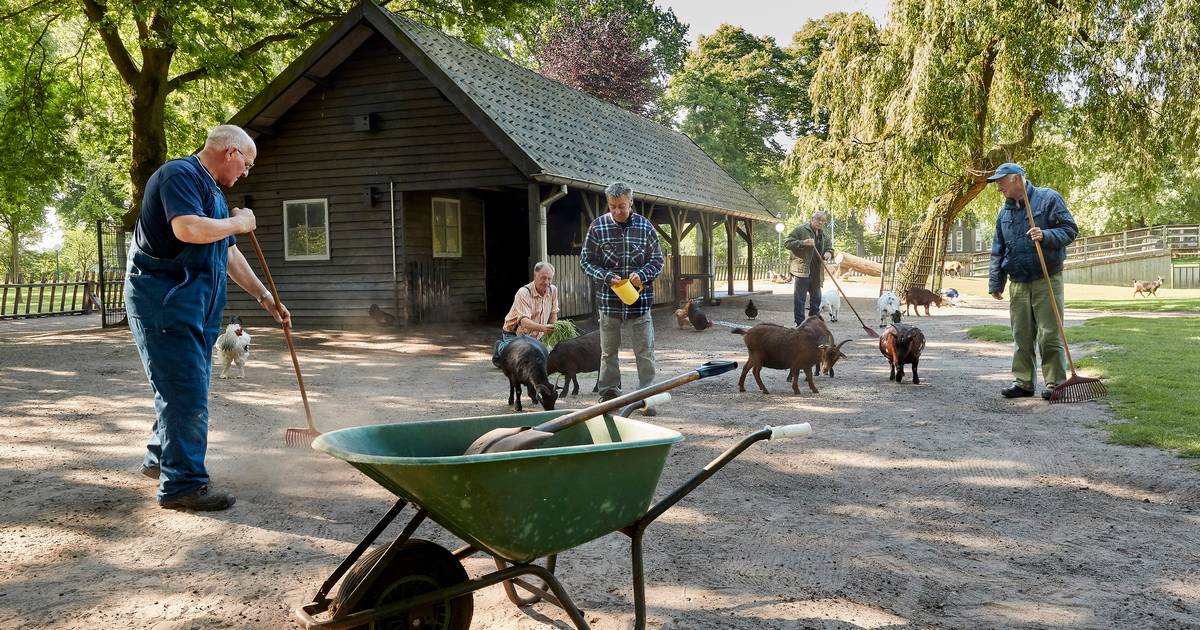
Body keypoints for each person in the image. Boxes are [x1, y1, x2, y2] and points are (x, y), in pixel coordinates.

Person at [125, 125, 290, 511]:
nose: (246, 172)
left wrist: (265, 297)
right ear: (231, 152)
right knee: (185, 390)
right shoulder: (179, 175)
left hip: (195, 307)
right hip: (165, 302)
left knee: (184, 385)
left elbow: (229, 255)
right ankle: (183, 486)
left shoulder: (212, 192)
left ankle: (161, 460)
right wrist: (240, 222)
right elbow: (188, 229)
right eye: (246, 163)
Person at [987, 162, 1078, 401]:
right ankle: (1024, 382)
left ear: (1017, 179)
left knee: (1049, 334)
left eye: (1001, 182)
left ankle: (1055, 383)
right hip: (1018, 281)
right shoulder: (1004, 213)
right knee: (1021, 335)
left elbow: (1070, 229)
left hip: (1046, 277)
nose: (998, 188)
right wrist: (996, 283)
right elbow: (998, 249)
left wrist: (1045, 235)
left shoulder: (1048, 199)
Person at [580, 182, 664, 398]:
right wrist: (606, 276)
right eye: (612, 206)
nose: (617, 211)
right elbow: (586, 262)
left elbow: (657, 261)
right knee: (608, 352)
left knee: (645, 352)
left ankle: (647, 393)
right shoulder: (597, 227)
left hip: (640, 301)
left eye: (622, 206)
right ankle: (609, 392)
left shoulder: (646, 228)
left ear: (631, 202)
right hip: (609, 302)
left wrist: (643, 274)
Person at [492, 261, 559, 366]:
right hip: (515, 334)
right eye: (543, 278)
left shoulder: (553, 290)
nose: (546, 282)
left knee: (546, 358)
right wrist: (544, 328)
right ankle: (501, 348)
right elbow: (524, 322)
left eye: (549, 278)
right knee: (521, 361)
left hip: (536, 335)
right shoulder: (524, 292)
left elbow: (553, 313)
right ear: (535, 276)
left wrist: (553, 327)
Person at [784, 210, 835, 326]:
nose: (820, 222)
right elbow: (787, 243)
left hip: (817, 273)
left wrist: (829, 253)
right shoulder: (800, 230)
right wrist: (803, 242)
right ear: (812, 219)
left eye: (823, 221)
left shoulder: (824, 235)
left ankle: (813, 323)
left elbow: (830, 248)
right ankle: (800, 324)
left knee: (816, 300)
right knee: (800, 300)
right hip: (802, 271)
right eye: (818, 219)